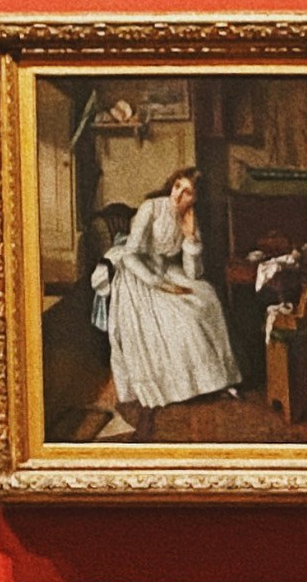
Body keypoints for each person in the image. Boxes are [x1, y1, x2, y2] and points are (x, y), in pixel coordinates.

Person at [101, 168, 239, 422]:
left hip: (169, 270)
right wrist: (158, 283)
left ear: (195, 198)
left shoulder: (190, 218)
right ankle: (182, 386)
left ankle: (215, 380)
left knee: (206, 297)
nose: (179, 195)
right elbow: (130, 254)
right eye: (177, 186)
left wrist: (191, 238)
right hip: (138, 274)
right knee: (182, 317)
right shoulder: (151, 208)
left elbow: (193, 272)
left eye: (187, 192)